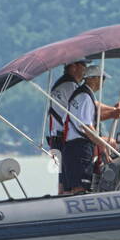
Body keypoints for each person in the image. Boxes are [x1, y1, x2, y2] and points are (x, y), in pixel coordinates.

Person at [60, 65, 120, 195]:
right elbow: (85, 126)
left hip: (73, 147)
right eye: (102, 78)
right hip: (79, 148)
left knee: (75, 187)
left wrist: (113, 112)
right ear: (93, 79)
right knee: (80, 188)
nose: (103, 82)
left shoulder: (82, 94)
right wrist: (102, 144)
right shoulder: (84, 97)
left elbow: (91, 117)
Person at [47, 59, 86, 194]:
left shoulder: (59, 84)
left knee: (62, 180)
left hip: (55, 138)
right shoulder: (71, 86)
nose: (86, 69)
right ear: (74, 66)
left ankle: (60, 203)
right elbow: (81, 111)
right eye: (84, 65)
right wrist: (112, 111)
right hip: (65, 140)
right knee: (70, 182)